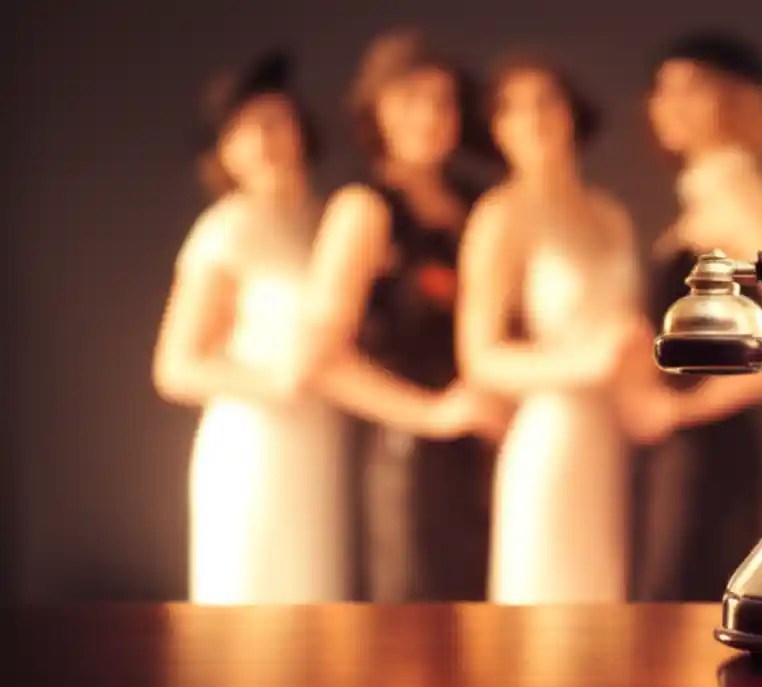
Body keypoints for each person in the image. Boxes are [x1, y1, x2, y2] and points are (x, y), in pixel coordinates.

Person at [623, 31, 762, 601]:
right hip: (689, 452)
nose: (668, 104)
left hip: (706, 455)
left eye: (692, 88)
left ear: (734, 100)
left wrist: (690, 407)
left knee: (681, 613)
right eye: (661, 89)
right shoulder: (707, 190)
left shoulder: (735, 189)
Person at [299, 28, 507, 601]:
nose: (431, 115)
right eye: (412, 98)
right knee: (418, 651)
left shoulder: (477, 203)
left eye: (442, 100)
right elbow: (319, 361)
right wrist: (435, 414)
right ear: (379, 109)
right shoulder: (364, 208)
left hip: (485, 456)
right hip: (408, 463)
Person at [152, 51, 348, 603]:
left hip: (320, 443)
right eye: (241, 132)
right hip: (254, 448)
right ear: (224, 153)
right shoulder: (227, 229)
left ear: (300, 128)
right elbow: (175, 368)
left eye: (273, 123)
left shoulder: (326, 222)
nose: (262, 142)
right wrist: (277, 383)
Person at [457, 57, 642, 604]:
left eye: (545, 101)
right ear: (496, 130)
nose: (533, 119)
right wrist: (587, 364)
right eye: (512, 109)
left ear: (570, 113)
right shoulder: (501, 214)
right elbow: (480, 358)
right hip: (551, 433)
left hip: (612, 435)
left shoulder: (610, 214)